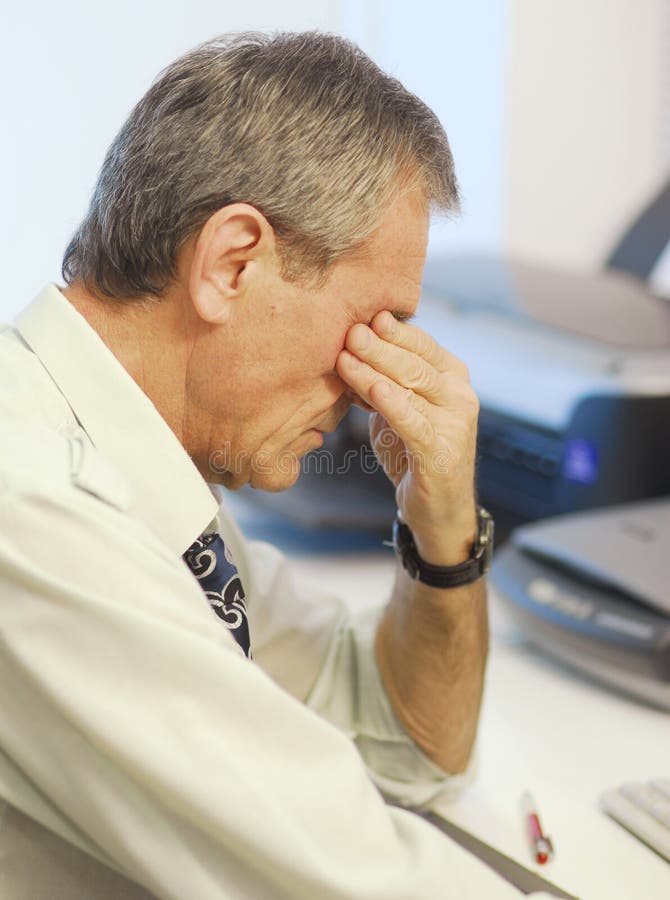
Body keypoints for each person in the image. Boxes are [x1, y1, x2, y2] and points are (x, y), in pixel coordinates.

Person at [0, 31, 539, 900]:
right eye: (374, 323)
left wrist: (442, 530)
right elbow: (359, 881)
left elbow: (399, 744)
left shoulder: (152, 480)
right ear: (232, 262)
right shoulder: (35, 513)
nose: (375, 388)